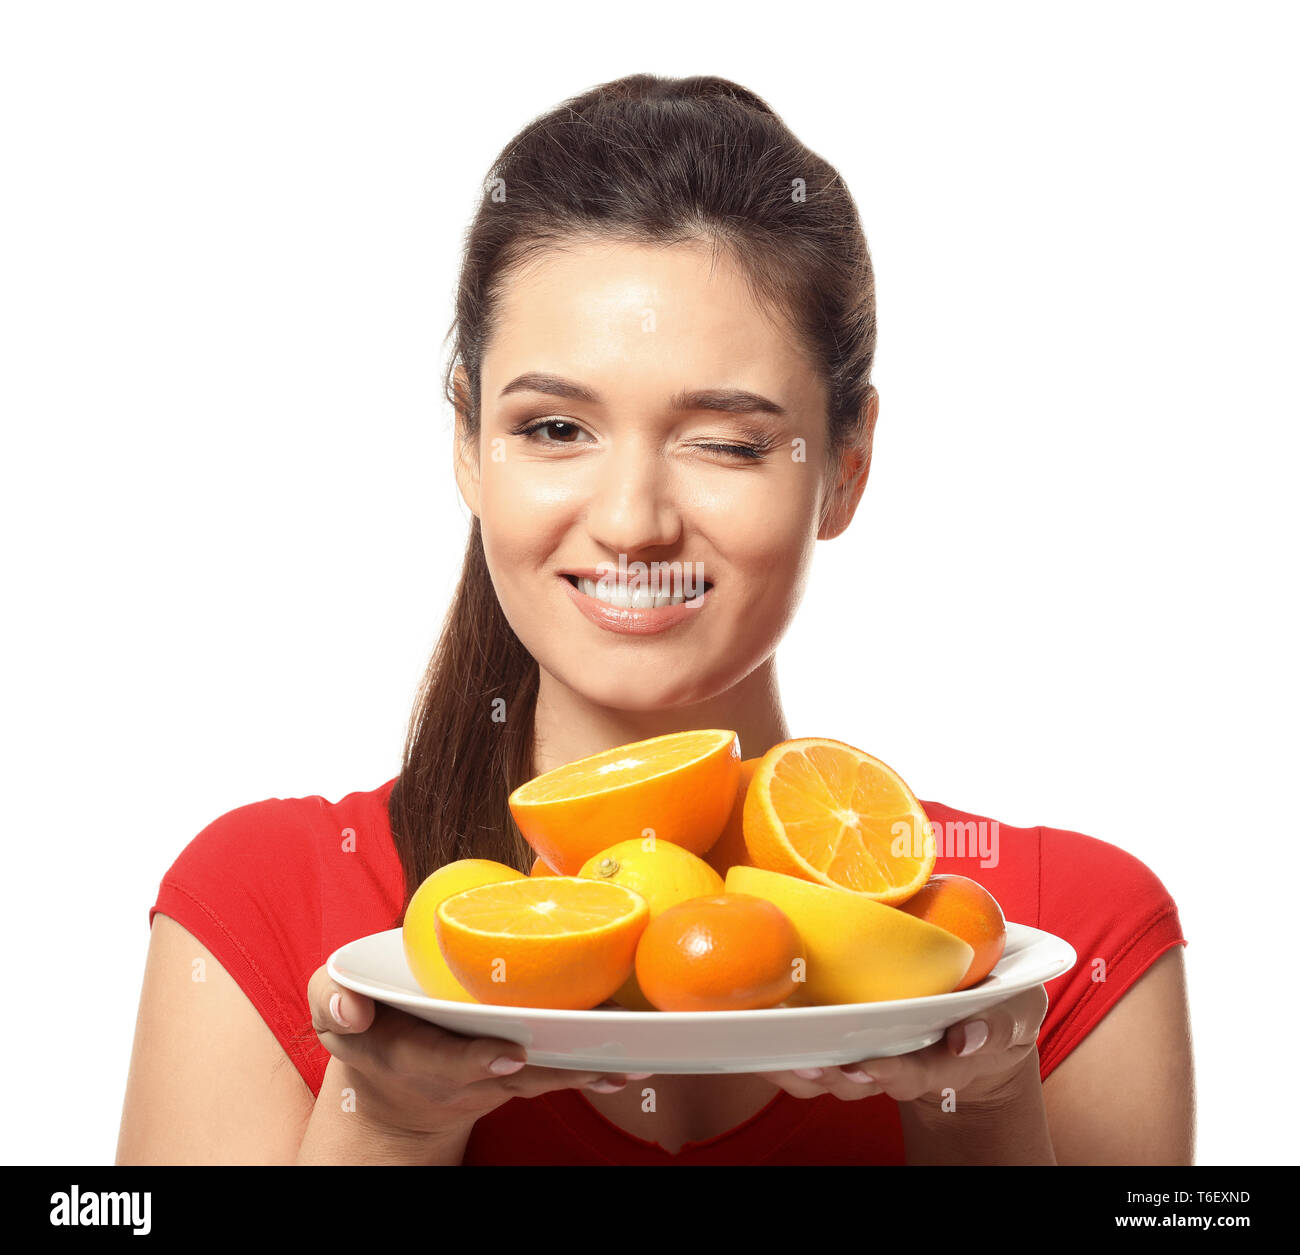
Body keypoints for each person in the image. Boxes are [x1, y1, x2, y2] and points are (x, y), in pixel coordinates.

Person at [116, 73, 1194, 1166]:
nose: (631, 523)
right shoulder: (264, 905)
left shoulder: (1062, 945)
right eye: (552, 428)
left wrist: (983, 1107)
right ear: (465, 443)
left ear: (846, 467)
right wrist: (389, 1123)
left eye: (724, 442)